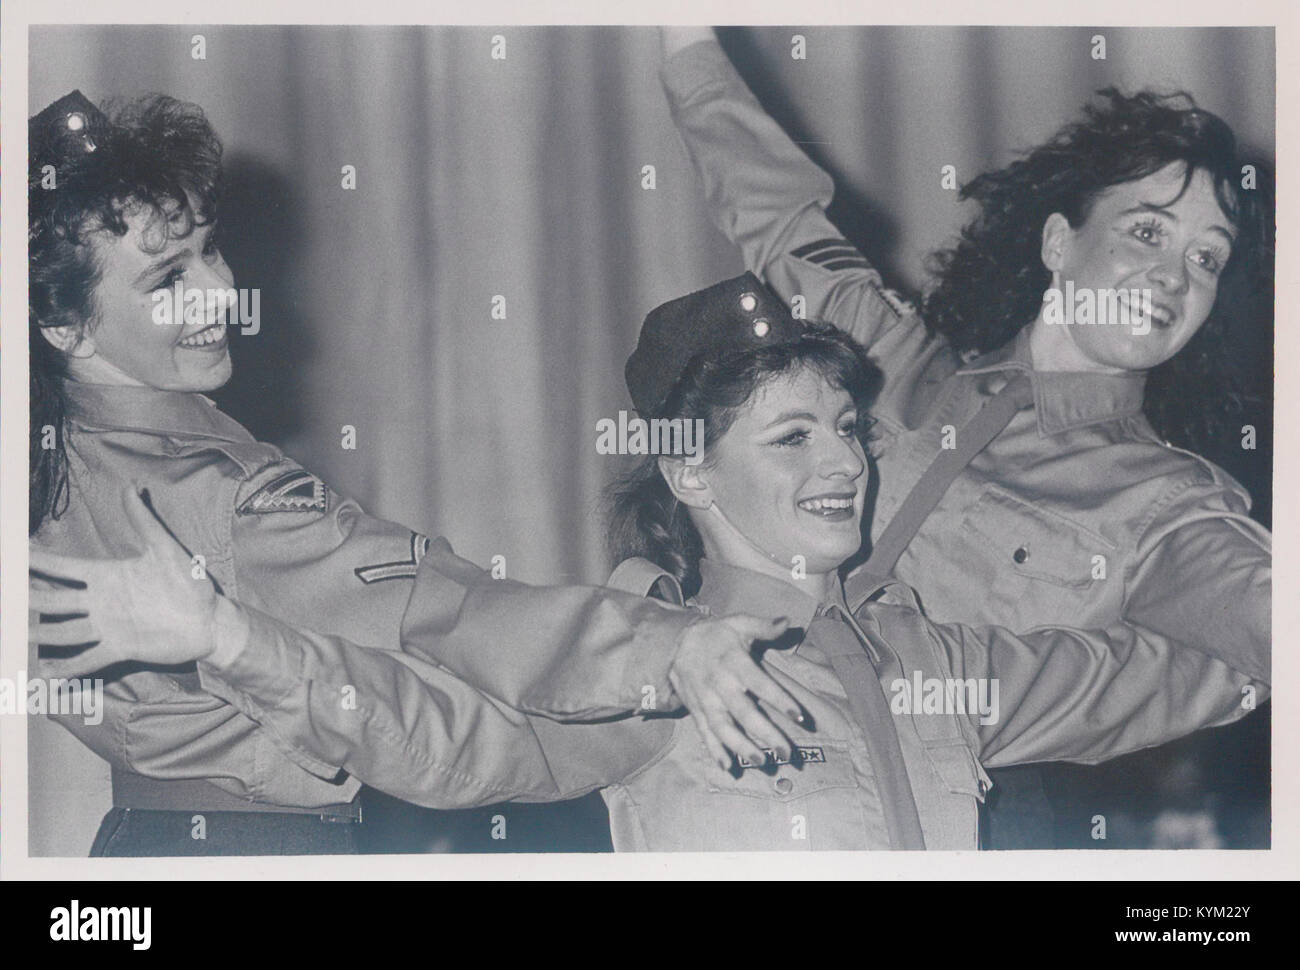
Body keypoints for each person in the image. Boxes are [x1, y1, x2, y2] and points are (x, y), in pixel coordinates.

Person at [33, 273, 1269, 850]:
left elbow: (1178, 671)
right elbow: (452, 746)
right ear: (687, 469)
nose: (842, 458)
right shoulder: (653, 662)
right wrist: (229, 641)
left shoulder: (934, 656)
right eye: (788, 434)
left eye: (845, 424)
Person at [26, 90, 791, 856]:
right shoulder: (221, 495)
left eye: (210, 249)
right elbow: (451, 611)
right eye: (167, 282)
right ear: (65, 326)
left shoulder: (51, 465)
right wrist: (668, 650)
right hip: (264, 846)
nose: (223, 292)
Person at [652, 27, 1272, 847]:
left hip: (981, 818)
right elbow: (776, 216)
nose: (1173, 277)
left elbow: (1263, 614)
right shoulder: (889, 361)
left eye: (1206, 259)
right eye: (1148, 232)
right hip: (743, 758)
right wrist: (681, 33)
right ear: (1059, 242)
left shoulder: (1167, 502)